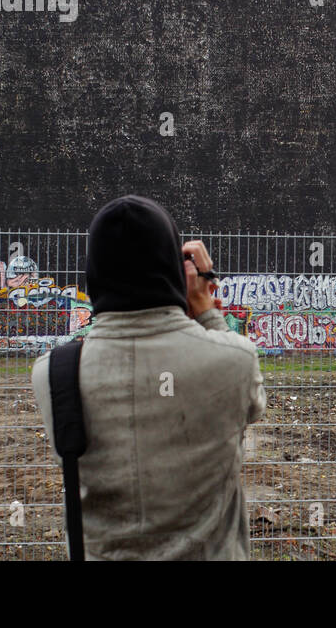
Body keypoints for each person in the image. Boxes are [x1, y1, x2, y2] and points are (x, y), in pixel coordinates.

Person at [31, 195, 266, 559]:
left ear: (94, 272)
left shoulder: (53, 373)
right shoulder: (234, 359)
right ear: (173, 269)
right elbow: (250, 402)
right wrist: (204, 306)